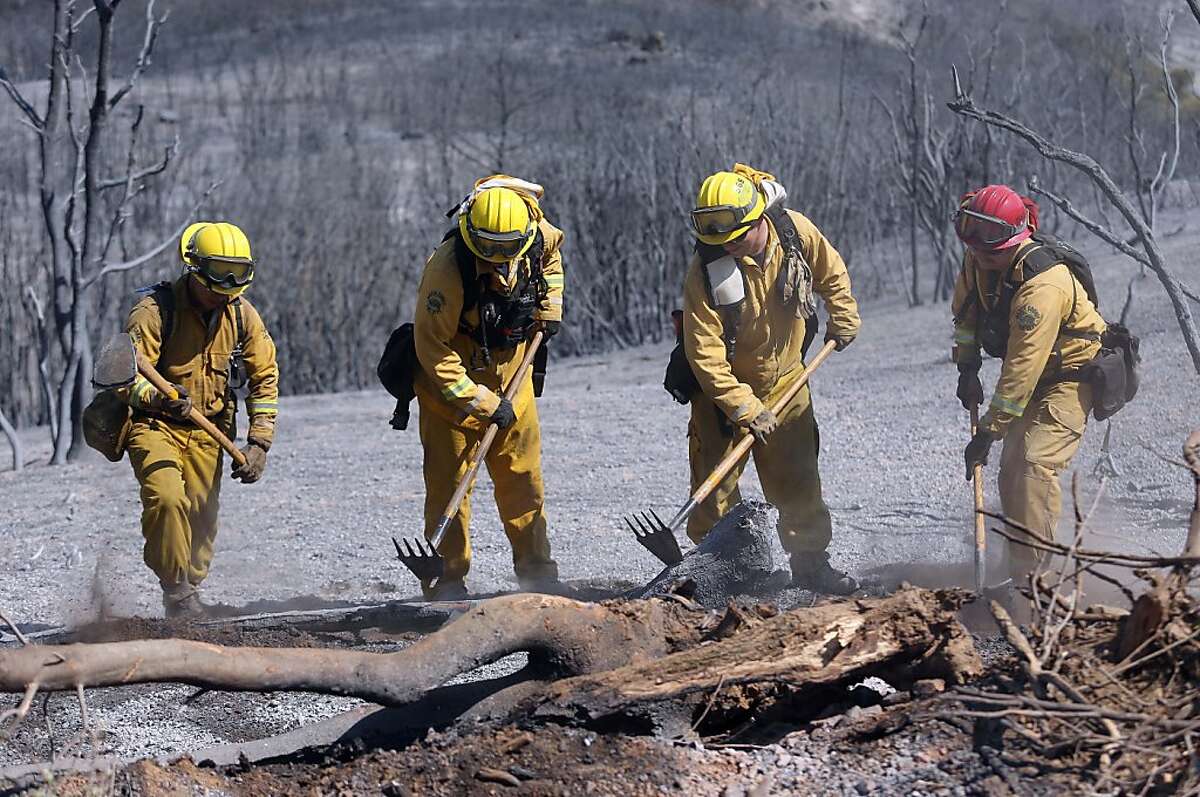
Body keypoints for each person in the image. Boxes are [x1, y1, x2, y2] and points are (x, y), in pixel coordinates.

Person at [681, 163, 861, 594]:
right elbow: (704, 354)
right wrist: (743, 406)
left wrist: (843, 311)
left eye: (735, 238)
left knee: (798, 480)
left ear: (757, 220)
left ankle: (811, 563)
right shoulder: (705, 272)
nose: (729, 249)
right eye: (719, 242)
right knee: (715, 492)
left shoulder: (794, 232)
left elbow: (830, 270)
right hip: (725, 394)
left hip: (788, 382)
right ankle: (724, 572)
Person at [412, 175, 563, 600]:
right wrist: (481, 401)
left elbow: (552, 259)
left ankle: (537, 574)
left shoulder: (536, 236)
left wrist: (550, 307)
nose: (499, 258)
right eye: (489, 249)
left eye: (506, 249)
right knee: (449, 488)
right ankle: (447, 578)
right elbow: (432, 350)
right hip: (454, 390)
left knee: (524, 481)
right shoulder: (446, 270)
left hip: (514, 378)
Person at [119, 222, 279, 617]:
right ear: (194, 269)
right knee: (168, 499)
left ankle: (189, 587)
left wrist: (259, 442)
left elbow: (265, 377)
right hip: (155, 425)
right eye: (218, 276)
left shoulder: (243, 315)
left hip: (210, 430)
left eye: (237, 275)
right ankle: (177, 594)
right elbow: (125, 378)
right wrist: (158, 397)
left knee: (201, 523)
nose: (226, 287)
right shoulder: (154, 312)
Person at [951, 184, 1105, 581]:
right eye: (971, 232)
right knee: (1009, 470)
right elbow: (966, 314)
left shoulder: (1043, 286)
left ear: (1013, 236)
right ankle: (1016, 566)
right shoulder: (979, 259)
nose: (977, 247)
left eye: (986, 238)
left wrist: (987, 432)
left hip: (1070, 376)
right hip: (1032, 376)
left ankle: (1038, 582)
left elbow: (1022, 368)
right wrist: (966, 367)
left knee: (1033, 464)